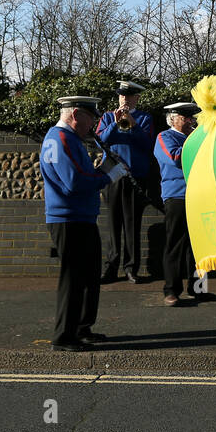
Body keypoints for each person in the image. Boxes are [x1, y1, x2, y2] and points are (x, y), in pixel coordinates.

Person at [40, 95, 128, 351]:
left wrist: (101, 170)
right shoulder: (62, 139)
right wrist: (108, 177)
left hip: (79, 217)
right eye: (91, 117)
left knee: (88, 277)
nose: (94, 123)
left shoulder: (66, 139)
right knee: (74, 279)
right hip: (69, 218)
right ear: (76, 114)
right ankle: (64, 336)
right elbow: (74, 183)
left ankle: (81, 328)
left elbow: (80, 174)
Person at [95, 80, 157, 284]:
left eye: (129, 96)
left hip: (134, 177)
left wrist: (133, 123)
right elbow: (101, 142)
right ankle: (111, 268)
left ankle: (131, 268)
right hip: (112, 176)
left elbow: (148, 145)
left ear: (136, 98)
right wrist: (114, 122)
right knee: (112, 224)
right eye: (122, 96)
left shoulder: (144, 118)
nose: (125, 99)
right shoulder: (106, 117)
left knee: (132, 225)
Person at [156, 102, 207, 306]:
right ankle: (171, 290)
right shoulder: (165, 137)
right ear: (173, 119)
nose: (190, 121)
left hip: (199, 195)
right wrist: (196, 142)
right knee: (175, 244)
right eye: (185, 117)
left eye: (191, 117)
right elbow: (174, 158)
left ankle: (199, 288)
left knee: (201, 246)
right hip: (177, 196)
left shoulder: (194, 138)